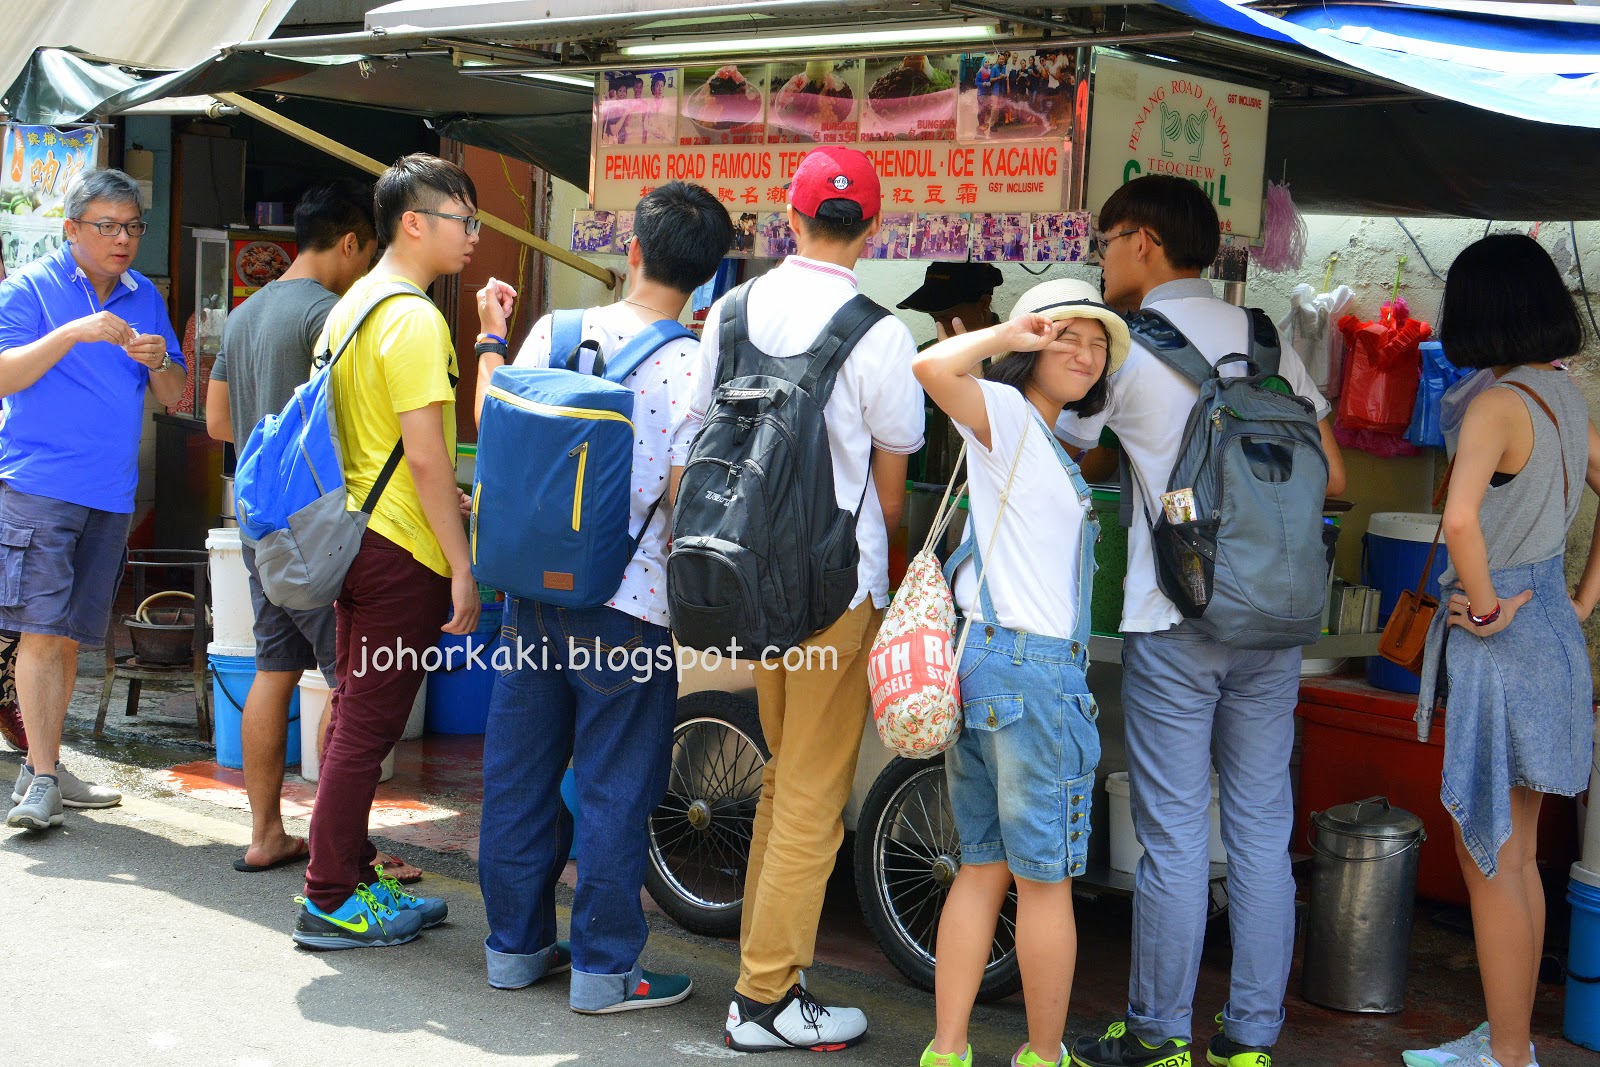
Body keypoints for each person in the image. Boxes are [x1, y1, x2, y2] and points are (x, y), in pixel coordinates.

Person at [1062, 175, 1345, 1067]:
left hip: (1175, 617)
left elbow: (1061, 441)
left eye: (1106, 241)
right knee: (1262, 825)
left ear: (1144, 242)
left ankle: (1159, 1035)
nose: (1100, 258)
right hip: (1275, 621)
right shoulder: (1267, 343)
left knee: (1177, 833)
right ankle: (1252, 1039)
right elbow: (1334, 479)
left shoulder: (1129, 351)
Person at [471, 181, 733, 1015]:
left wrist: (489, 337)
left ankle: (512, 950)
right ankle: (602, 972)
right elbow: (690, 501)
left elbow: (493, 425)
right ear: (709, 275)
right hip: (632, 604)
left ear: (634, 251)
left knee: (517, 776)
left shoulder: (555, 331)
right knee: (617, 789)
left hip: (528, 596)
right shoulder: (699, 367)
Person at [697, 146, 925, 1053]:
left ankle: (764, 978)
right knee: (813, 792)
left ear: (786, 219)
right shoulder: (882, 331)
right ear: (872, 230)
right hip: (834, 584)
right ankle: (765, 999)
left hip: (749, 577)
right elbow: (893, 483)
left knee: (787, 774)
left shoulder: (731, 309)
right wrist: (893, 572)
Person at [912, 279, 1127, 1067]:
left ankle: (949, 1050)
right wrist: (1011, 335)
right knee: (1044, 882)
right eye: (1067, 334)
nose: (1084, 350)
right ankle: (1042, 1056)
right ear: (1034, 342)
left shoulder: (1037, 434)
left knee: (983, 868)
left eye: (1097, 341)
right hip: (1033, 678)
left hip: (985, 668)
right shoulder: (1007, 416)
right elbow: (932, 366)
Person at [1402, 234, 1597, 1067]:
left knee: (1488, 854)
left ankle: (1506, 1054)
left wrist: (1483, 605)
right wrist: (1581, 601)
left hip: (1503, 639)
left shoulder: (1492, 405)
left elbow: (1458, 521)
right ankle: (1509, 1038)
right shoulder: (1568, 396)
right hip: (1552, 630)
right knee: (1515, 855)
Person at [291, 153, 486, 949]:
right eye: (463, 219)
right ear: (414, 222)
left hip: (356, 536)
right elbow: (430, 456)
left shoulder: (354, 302)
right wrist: (462, 562)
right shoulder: (413, 316)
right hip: (400, 547)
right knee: (368, 726)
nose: (474, 235)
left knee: (352, 720)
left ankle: (352, 869)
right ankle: (330, 894)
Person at [205, 179, 399, 875]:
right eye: (370, 251)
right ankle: (338, 845)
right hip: (321, 534)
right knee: (350, 686)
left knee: (272, 671)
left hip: (261, 531)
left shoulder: (244, 314)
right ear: (349, 243)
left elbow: (219, 423)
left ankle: (266, 833)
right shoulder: (333, 314)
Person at [1, 169, 186, 832]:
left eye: (133, 226)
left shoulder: (145, 297)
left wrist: (160, 359)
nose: (123, 239)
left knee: (75, 634)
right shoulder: (29, 288)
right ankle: (46, 775)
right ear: (71, 228)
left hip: (110, 494)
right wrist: (71, 333)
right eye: (107, 225)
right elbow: (3, 372)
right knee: (42, 628)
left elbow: (174, 396)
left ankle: (43, 765)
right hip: (38, 487)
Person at [898, 261, 1005, 342]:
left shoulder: (1010, 358)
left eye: (949, 319)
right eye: (935, 319)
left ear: (983, 304)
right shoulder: (926, 355)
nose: (941, 329)